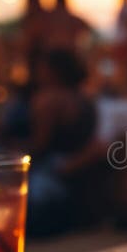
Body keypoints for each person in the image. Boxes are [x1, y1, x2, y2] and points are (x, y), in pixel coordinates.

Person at [26, 49, 97, 235]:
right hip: (82, 176)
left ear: (53, 71)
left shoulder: (48, 100)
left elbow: (40, 145)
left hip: (53, 173)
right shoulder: (86, 98)